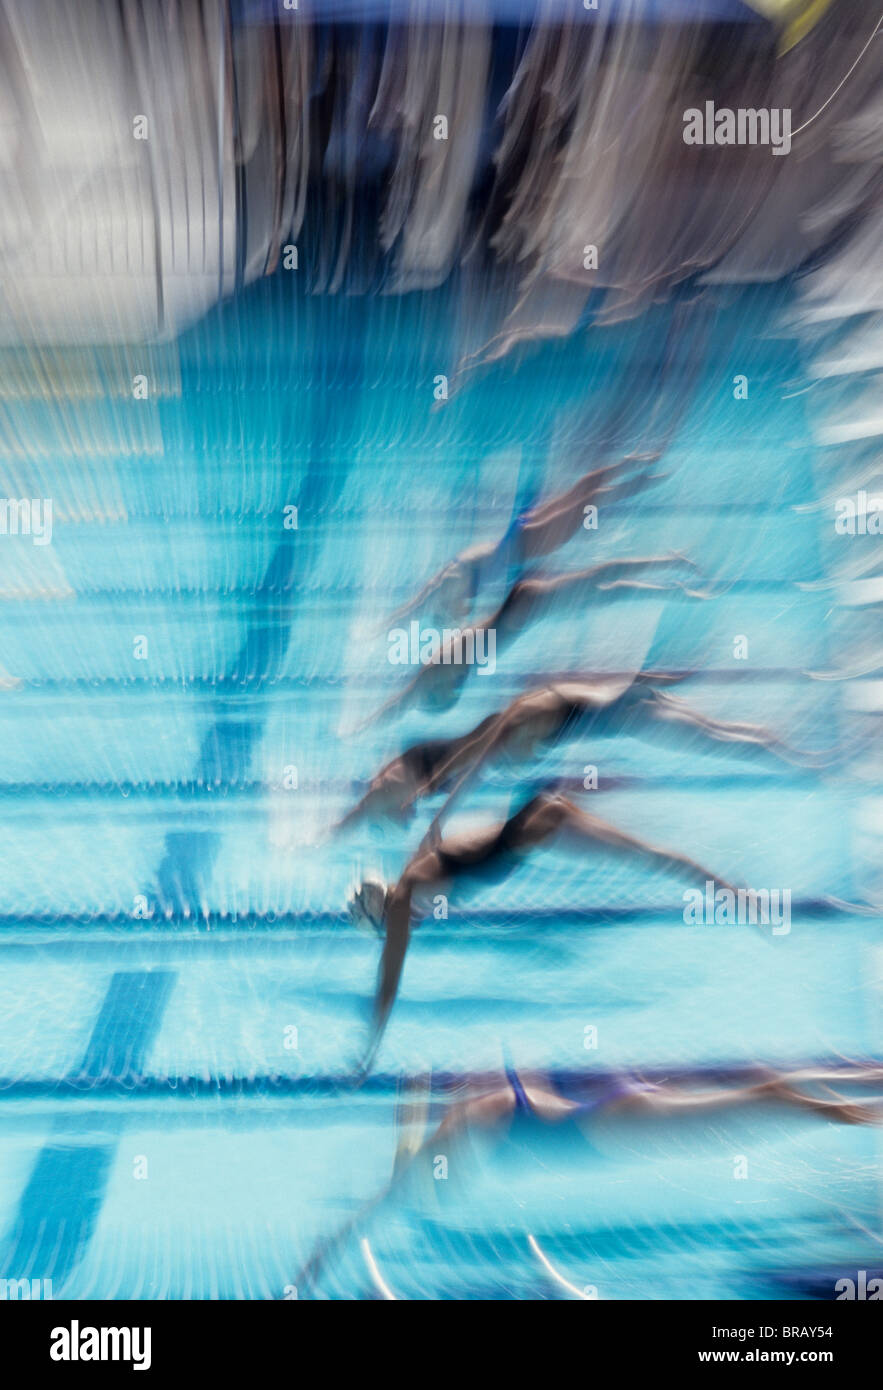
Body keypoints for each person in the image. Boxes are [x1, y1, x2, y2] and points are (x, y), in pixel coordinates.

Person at [297, 1061, 882, 1294]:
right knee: (761, 1095)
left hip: (606, 1129)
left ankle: (865, 1107)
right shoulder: (477, 1101)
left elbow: (381, 1203)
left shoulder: (453, 1142)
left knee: (755, 1108)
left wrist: (324, 1254)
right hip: (608, 1110)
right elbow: (421, 1089)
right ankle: (864, 1083)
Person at [347, 789, 742, 1073]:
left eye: (384, 932)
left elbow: (388, 983)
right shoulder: (412, 880)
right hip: (538, 816)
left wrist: (369, 1051)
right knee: (645, 855)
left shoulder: (403, 901)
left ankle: (728, 889)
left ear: (382, 914)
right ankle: (724, 883)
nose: (392, 937)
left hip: (541, 826)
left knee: (650, 859)